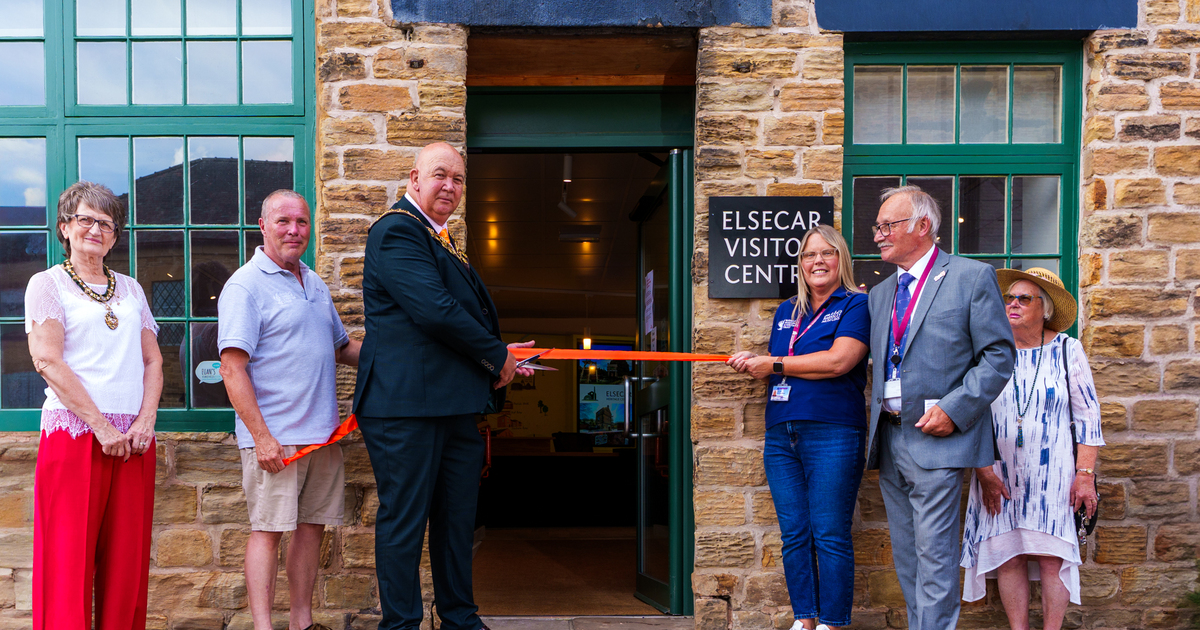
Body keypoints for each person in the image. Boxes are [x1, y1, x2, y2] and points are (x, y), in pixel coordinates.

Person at [353, 142, 533, 630]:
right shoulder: (396, 232)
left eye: (457, 179)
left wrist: (503, 354)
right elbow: (435, 311)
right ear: (414, 179)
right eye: (440, 175)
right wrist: (497, 356)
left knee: (456, 525)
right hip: (404, 407)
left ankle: (459, 619)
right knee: (405, 524)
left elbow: (457, 321)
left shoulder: (442, 239)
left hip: (452, 406)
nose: (450, 186)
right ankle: (401, 625)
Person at [865, 185, 1015, 630]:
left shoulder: (971, 276)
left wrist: (955, 409)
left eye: (887, 225)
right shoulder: (879, 294)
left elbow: (998, 356)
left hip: (937, 438)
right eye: (878, 226)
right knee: (909, 559)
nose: (878, 235)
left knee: (936, 560)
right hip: (889, 438)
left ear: (923, 226)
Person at [218, 190, 362, 630]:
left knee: (312, 529)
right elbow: (231, 368)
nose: (294, 230)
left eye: (301, 221)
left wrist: (404, 355)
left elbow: (342, 348)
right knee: (268, 530)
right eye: (283, 221)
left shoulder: (313, 282)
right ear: (262, 226)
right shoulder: (245, 285)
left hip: (323, 435)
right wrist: (262, 437)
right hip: (276, 440)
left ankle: (302, 622)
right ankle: (264, 627)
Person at [25, 181, 163, 629]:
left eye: (106, 222)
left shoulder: (132, 289)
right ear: (64, 226)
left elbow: (153, 359)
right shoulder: (47, 284)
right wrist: (101, 426)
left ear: (115, 234)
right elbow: (47, 359)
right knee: (66, 561)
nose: (95, 229)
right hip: (77, 434)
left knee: (127, 565)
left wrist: (145, 421)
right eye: (85, 219)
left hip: (134, 440)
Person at [726, 225, 870, 630]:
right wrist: (754, 362)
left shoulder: (856, 304)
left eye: (827, 253)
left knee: (829, 532)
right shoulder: (788, 309)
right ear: (801, 263)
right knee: (794, 534)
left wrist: (770, 363)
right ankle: (804, 620)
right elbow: (780, 361)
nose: (818, 261)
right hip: (781, 433)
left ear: (841, 259)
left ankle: (833, 623)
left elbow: (839, 361)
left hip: (833, 432)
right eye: (809, 255)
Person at [961, 267, 1102, 630]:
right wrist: (982, 470)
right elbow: (972, 414)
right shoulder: (989, 353)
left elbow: (1088, 418)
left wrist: (1085, 476)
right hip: (997, 471)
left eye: (1024, 299)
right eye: (1009, 298)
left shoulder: (1068, 351)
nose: (1013, 304)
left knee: (1052, 556)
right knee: (1009, 556)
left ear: (1046, 309)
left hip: (1054, 472)